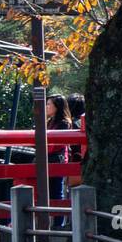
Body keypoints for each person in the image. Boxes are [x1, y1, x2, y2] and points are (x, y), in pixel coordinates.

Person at [46, 93, 72, 230]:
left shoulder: (63, 123)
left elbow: (56, 144)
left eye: (49, 104)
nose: (47, 106)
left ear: (57, 107)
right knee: (49, 191)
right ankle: (52, 222)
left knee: (56, 192)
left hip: (56, 159)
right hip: (49, 159)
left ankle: (58, 224)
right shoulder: (51, 121)